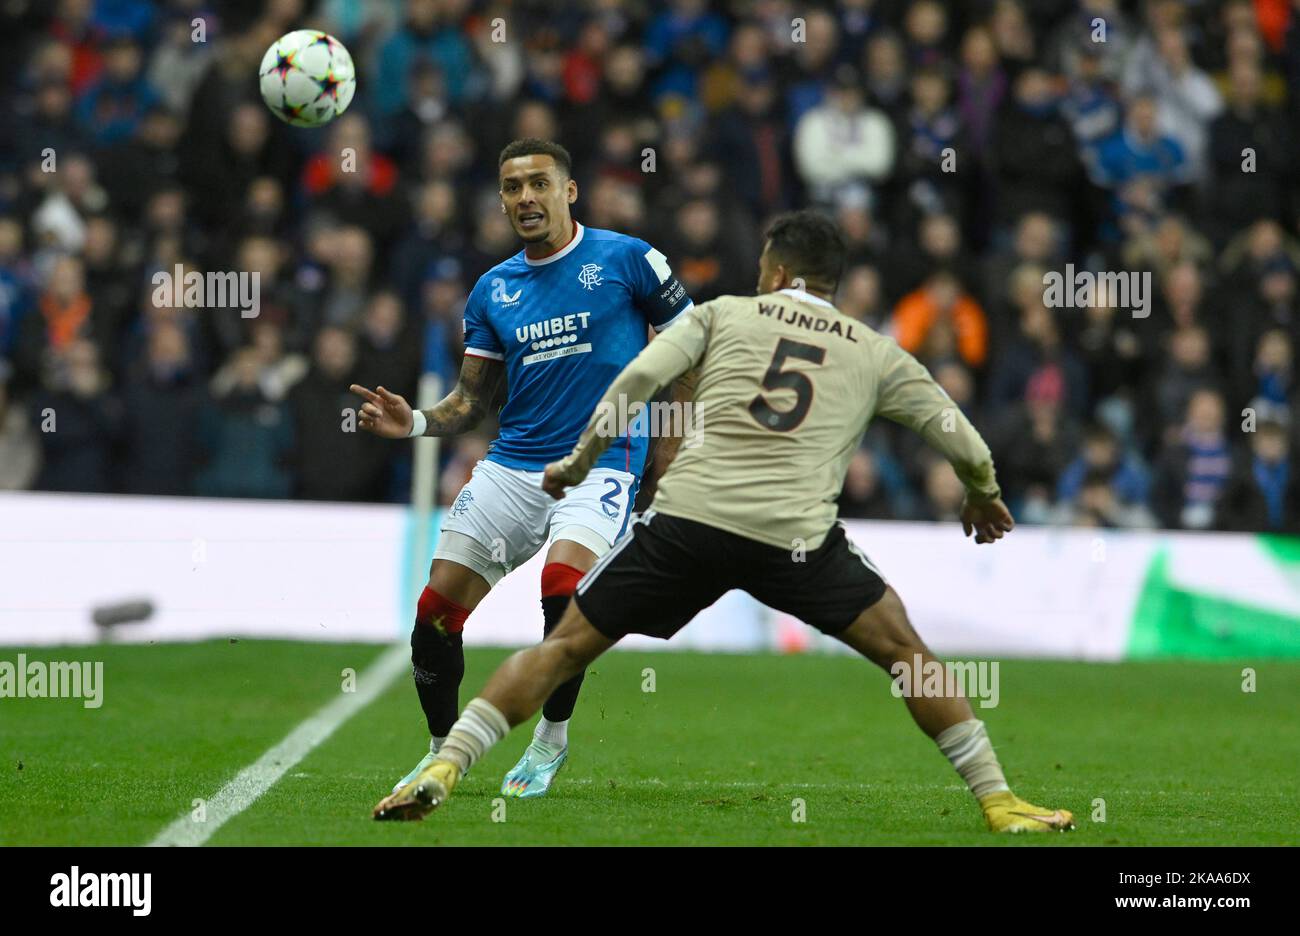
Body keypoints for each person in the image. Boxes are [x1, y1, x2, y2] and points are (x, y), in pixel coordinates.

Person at [374, 211, 1074, 834]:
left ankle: (447, 765)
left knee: (562, 646)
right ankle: (999, 801)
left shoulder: (724, 316)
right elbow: (959, 434)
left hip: (689, 523)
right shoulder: (874, 349)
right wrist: (981, 493)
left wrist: (582, 459)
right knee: (907, 657)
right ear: (834, 280)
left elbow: (635, 383)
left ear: (775, 269)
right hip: (795, 538)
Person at [352, 139, 694, 800]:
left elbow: (692, 351)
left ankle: (551, 739)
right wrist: (416, 422)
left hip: (601, 462)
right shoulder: (493, 290)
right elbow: (472, 400)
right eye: (512, 188)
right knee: (434, 613)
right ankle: (439, 754)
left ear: (570, 191)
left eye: (539, 183)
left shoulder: (631, 260)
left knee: (562, 589)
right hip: (513, 466)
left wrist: (669, 457)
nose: (525, 198)